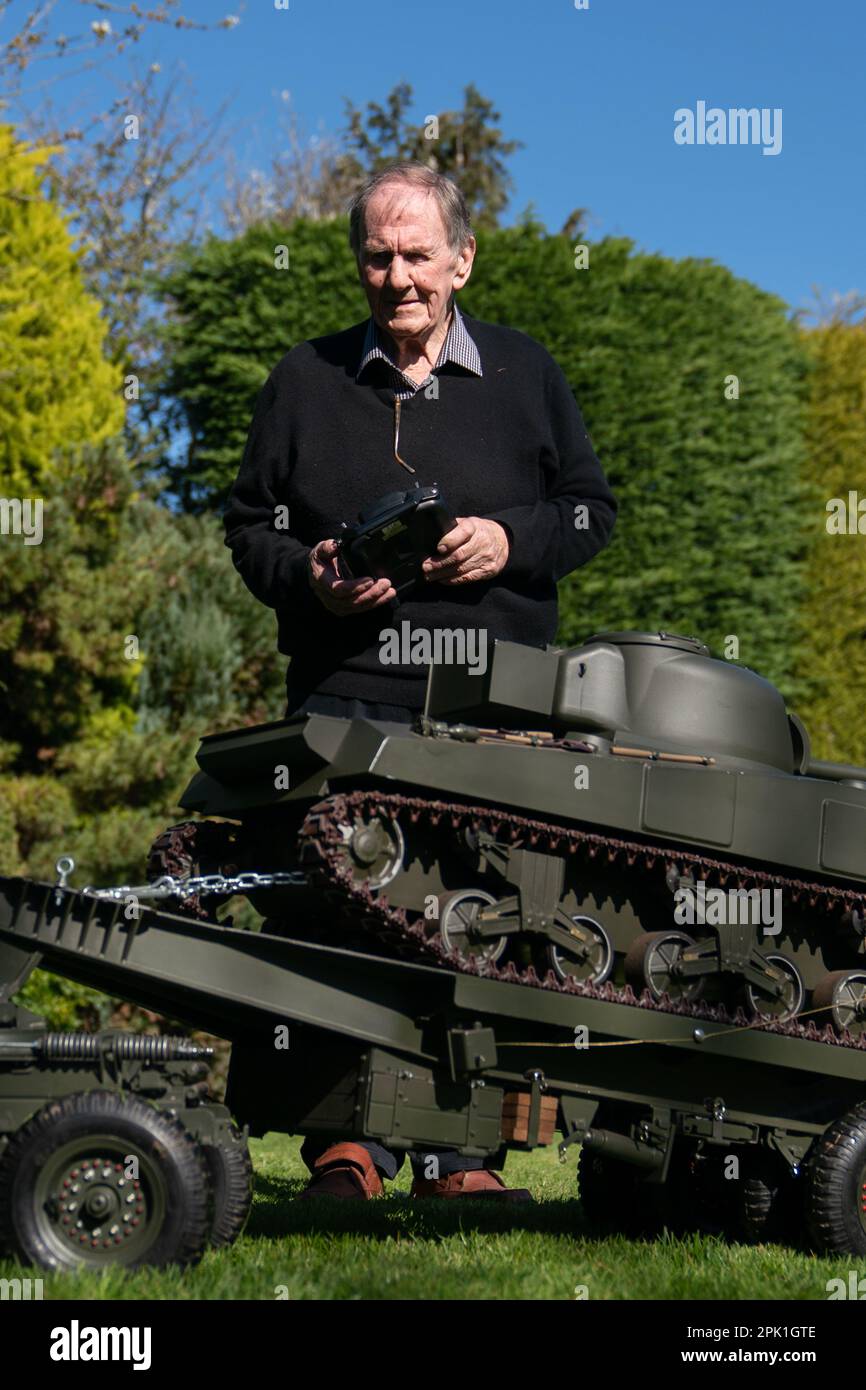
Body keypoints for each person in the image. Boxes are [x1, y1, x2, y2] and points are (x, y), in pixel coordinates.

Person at [224, 161, 617, 1201]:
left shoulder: (527, 375)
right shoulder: (302, 380)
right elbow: (247, 525)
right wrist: (306, 573)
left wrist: (507, 540)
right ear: (360, 261)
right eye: (377, 255)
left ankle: (465, 1155)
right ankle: (342, 1147)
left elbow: (589, 511)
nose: (397, 276)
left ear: (461, 260)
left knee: (480, 924)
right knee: (327, 927)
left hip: (496, 710)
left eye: (416, 255)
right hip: (344, 700)